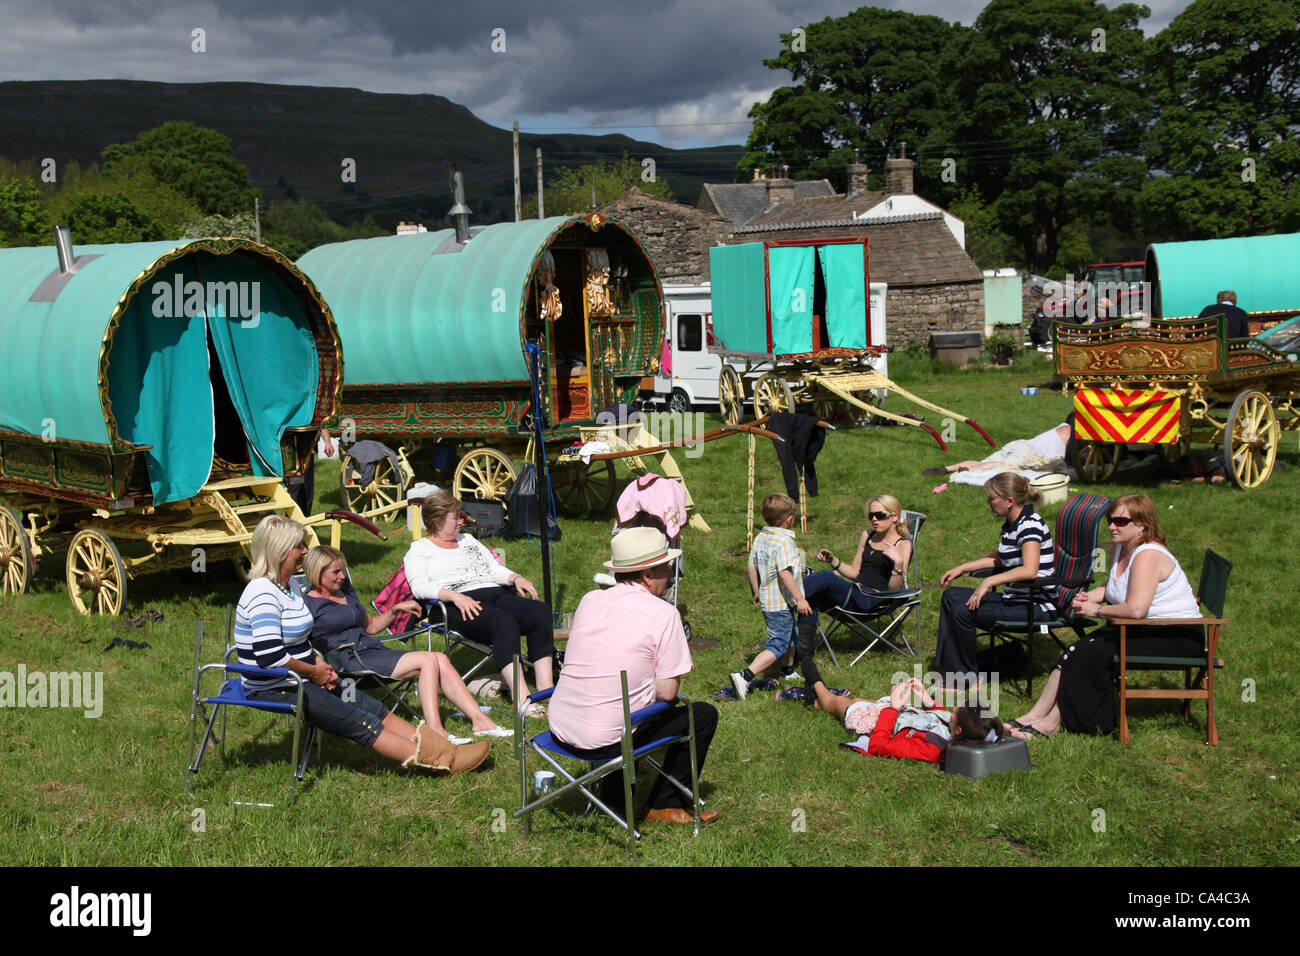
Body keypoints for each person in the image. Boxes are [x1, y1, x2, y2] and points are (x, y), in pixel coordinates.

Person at [233, 515, 490, 775]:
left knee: (375, 708)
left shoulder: (290, 589)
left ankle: (446, 748)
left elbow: (300, 641)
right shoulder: (262, 594)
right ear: (280, 551)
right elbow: (269, 656)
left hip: (304, 676)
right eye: (299, 546)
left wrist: (321, 663)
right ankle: (442, 764)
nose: (304, 551)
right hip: (276, 686)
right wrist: (314, 672)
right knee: (362, 721)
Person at [547, 527, 719, 825]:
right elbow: (667, 691)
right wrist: (643, 681)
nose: (673, 573)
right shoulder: (665, 614)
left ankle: (614, 798)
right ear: (647, 576)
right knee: (701, 714)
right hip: (607, 738)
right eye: (667, 566)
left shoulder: (589, 600)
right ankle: (664, 804)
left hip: (561, 725)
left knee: (621, 702)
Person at [1005, 493, 1204, 738]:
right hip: (1148, 628)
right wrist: (1093, 596)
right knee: (1075, 650)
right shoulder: (1122, 547)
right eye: (1110, 519)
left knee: (1089, 653)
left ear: (1142, 525)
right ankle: (1035, 715)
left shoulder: (1148, 555)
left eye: (1121, 521)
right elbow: (1117, 587)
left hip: (1176, 637)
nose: (1111, 526)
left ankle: (1052, 724)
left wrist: (1096, 610)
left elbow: (1135, 610)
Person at [302, 545, 511, 742]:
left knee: (439, 657)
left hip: (370, 651)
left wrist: (394, 610)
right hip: (346, 661)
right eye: (335, 572)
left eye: (342, 571)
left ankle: (480, 720)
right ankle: (436, 730)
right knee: (428, 660)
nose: (342, 576)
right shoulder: (308, 605)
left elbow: (371, 627)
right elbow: (303, 643)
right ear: (317, 572)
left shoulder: (345, 593)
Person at [404, 490, 555, 711]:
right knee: (503, 622)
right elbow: (419, 587)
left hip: (492, 593)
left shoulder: (468, 540)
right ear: (436, 522)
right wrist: (454, 595)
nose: (461, 520)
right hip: (451, 605)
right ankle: (522, 699)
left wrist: (515, 577)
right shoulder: (420, 549)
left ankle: (545, 689)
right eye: (455, 517)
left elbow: (493, 569)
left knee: (539, 612)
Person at [933, 472, 1057, 686]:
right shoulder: (1014, 524)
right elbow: (1000, 559)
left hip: (1035, 605)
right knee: (951, 596)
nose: (988, 502)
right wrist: (963, 568)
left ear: (1009, 502)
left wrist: (988, 582)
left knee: (964, 610)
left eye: (992, 498)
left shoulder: (1030, 526)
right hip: (1016, 599)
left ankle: (964, 680)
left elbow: (1030, 570)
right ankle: (949, 667)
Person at [793, 494, 913, 680]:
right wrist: (834, 561)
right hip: (856, 591)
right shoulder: (868, 536)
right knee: (812, 596)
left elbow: (894, 590)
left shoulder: (903, 545)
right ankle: (801, 654)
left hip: (873, 600)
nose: (874, 519)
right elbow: (856, 572)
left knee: (824, 577)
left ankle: (783, 595)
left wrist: (897, 565)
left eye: (879, 515)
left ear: (894, 517)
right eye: (871, 515)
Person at [804, 670, 1003, 763]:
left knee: (837, 703)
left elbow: (879, 746)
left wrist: (893, 707)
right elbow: (940, 719)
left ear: (958, 730)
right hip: (899, 714)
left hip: (877, 723)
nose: (953, 710)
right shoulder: (962, 734)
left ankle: (815, 683)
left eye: (956, 712)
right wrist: (928, 702)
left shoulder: (930, 749)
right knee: (857, 699)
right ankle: (810, 700)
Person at [730, 493, 808, 699]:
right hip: (780, 603)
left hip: (769, 599)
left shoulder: (761, 537)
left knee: (791, 635)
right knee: (778, 643)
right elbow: (785, 573)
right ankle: (744, 676)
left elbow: (750, 566)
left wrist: (756, 590)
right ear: (790, 519)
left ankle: (788, 671)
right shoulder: (785, 543)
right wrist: (800, 598)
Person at [922, 423, 1071, 476]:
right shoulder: (1070, 434)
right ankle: (969, 472)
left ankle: (947, 469)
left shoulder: (1062, 428)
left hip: (1020, 444)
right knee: (1003, 469)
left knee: (984, 462)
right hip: (1028, 451)